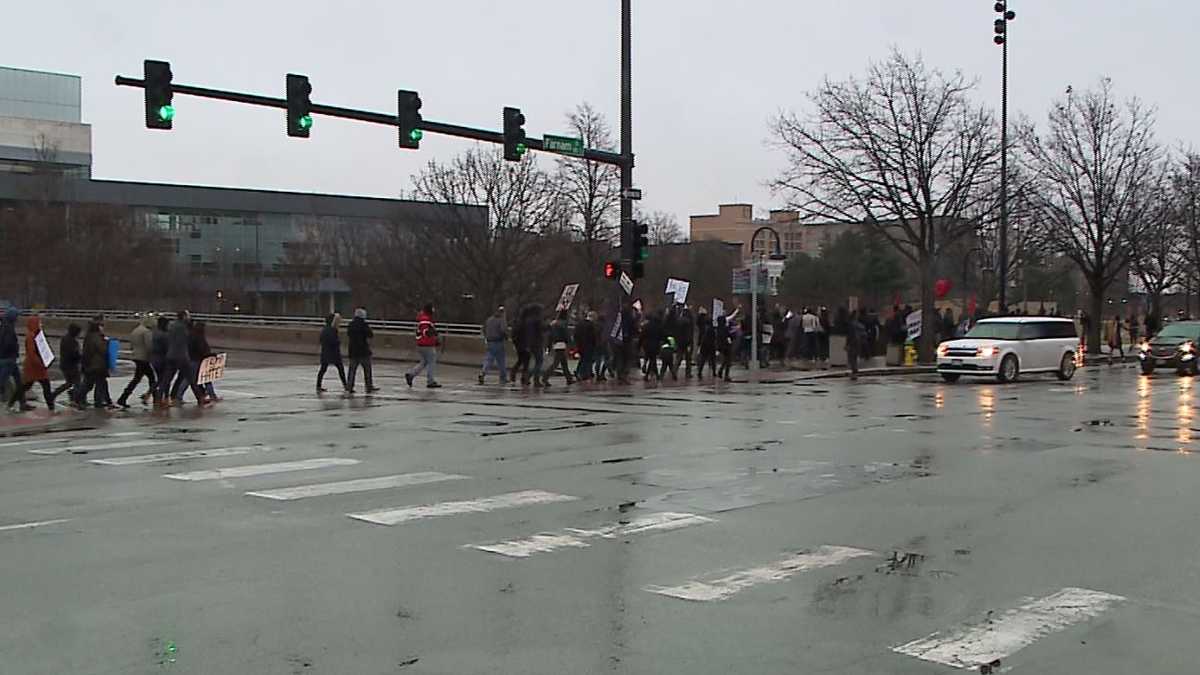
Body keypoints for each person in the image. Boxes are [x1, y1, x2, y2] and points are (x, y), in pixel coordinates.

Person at [11, 315, 55, 411]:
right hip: (34, 367)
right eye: (39, 323)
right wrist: (43, 364)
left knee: (27, 386)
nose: (40, 324)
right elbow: (32, 354)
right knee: (38, 386)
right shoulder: (31, 337)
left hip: (35, 367)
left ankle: (11, 403)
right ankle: (51, 408)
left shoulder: (36, 335)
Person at [117, 314, 158, 408]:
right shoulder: (146, 332)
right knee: (150, 379)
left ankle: (123, 397)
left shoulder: (136, 330)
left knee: (139, 378)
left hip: (136, 356)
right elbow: (149, 346)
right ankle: (156, 398)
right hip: (144, 358)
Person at [158, 311, 197, 406]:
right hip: (181, 356)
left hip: (171, 355)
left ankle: (159, 398)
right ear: (184, 317)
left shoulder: (171, 326)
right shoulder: (182, 327)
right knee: (191, 379)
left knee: (166, 379)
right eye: (188, 315)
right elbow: (187, 337)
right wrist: (191, 325)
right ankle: (200, 398)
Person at [76, 318, 113, 409]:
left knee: (92, 383)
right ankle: (95, 401)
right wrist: (107, 342)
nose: (103, 327)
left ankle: (81, 398)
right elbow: (102, 350)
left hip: (91, 364)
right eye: (101, 326)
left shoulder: (89, 336)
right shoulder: (97, 337)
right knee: (97, 384)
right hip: (97, 364)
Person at [0, 306, 32, 412]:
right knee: (2, 381)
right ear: (13, 317)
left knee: (20, 382)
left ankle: (23, 403)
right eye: (17, 316)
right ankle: (19, 403)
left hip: (9, 359)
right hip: (8, 359)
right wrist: (15, 348)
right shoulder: (8, 328)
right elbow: (8, 344)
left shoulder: (5, 326)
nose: (18, 318)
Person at [405, 303, 441, 388]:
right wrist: (435, 339)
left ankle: (411, 374)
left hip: (420, 345)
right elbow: (427, 333)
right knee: (431, 362)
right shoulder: (427, 321)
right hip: (427, 345)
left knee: (424, 362)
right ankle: (430, 381)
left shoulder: (421, 319)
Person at [347, 307, 380, 394]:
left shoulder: (351, 324)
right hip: (363, 351)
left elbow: (348, 334)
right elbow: (370, 334)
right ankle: (368, 386)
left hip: (353, 350)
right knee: (367, 370)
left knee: (352, 371)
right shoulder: (364, 325)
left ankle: (349, 386)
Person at [317, 313, 348, 393]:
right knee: (340, 369)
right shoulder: (331, 330)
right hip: (333, 353)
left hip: (326, 352)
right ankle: (345, 385)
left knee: (323, 369)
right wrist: (338, 342)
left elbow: (321, 340)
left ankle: (318, 385)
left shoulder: (325, 329)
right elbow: (333, 341)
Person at [52, 323, 82, 405]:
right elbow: (74, 354)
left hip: (64, 364)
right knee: (77, 383)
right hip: (72, 365)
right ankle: (76, 399)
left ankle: (56, 394)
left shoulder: (64, 339)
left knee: (69, 383)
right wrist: (81, 357)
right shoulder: (73, 342)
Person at [479, 305, 509, 385]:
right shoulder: (501, 320)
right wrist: (506, 337)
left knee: (488, 359)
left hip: (490, 342)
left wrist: (487, 337)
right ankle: (503, 377)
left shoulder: (489, 319)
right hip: (498, 342)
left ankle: (483, 373)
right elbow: (503, 330)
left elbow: (483, 329)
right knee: (501, 361)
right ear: (502, 312)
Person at [546, 311, 574, 385]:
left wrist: (549, 346)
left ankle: (569, 378)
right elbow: (566, 335)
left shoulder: (554, 324)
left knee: (564, 363)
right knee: (556, 363)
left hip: (556, 344)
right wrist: (570, 344)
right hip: (562, 344)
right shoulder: (563, 324)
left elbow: (550, 336)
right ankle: (545, 377)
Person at [149, 316, 169, 405]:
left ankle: (153, 394)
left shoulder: (155, 333)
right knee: (165, 379)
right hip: (163, 359)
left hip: (155, 359)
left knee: (160, 379)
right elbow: (167, 348)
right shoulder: (164, 335)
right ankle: (163, 397)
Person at [574, 310, 597, 382]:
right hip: (588, 345)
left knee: (582, 359)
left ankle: (578, 371)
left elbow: (575, 334)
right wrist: (594, 344)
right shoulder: (591, 325)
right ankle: (584, 374)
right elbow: (593, 336)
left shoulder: (580, 324)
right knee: (587, 360)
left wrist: (577, 343)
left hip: (580, 345)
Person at [641, 310, 663, 382]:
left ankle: (655, 374)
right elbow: (661, 336)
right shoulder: (658, 327)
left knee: (651, 359)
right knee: (652, 360)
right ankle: (650, 375)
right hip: (655, 345)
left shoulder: (646, 326)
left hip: (646, 345)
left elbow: (642, 336)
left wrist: (639, 345)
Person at [695, 307, 717, 379]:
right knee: (712, 359)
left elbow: (698, 322)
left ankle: (700, 372)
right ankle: (714, 372)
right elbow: (714, 338)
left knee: (703, 359)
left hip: (704, 345)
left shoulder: (704, 328)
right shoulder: (712, 330)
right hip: (711, 346)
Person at [846, 310, 866, 380]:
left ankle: (854, 371)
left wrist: (847, 344)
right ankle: (855, 371)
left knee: (851, 358)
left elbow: (850, 335)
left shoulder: (851, 324)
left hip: (853, 342)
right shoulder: (860, 325)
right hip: (858, 342)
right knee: (855, 357)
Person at [676, 304, 694, 378]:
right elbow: (689, 333)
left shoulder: (679, 320)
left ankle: (674, 370)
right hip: (687, 342)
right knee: (688, 359)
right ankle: (688, 373)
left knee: (679, 358)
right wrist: (690, 342)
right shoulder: (689, 321)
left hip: (680, 342)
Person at [716, 315, 733, 382]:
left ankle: (720, 371)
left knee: (726, 360)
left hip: (721, 346)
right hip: (726, 346)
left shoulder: (718, 328)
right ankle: (726, 375)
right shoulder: (725, 328)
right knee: (728, 361)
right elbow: (728, 336)